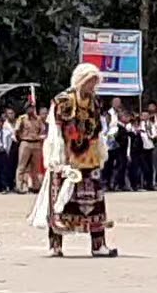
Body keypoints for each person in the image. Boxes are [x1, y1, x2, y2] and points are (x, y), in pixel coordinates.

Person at [30, 63, 117, 258]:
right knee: (60, 201)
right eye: (89, 81)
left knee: (95, 202)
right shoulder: (63, 101)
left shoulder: (94, 101)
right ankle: (55, 245)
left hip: (90, 158)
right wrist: (57, 156)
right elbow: (56, 130)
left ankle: (98, 244)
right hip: (67, 157)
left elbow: (97, 129)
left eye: (95, 81)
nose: (92, 85)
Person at [14, 104, 44, 193]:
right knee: (22, 166)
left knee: (36, 167)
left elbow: (42, 129)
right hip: (26, 142)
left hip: (36, 143)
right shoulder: (22, 118)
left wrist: (38, 137)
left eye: (32, 108)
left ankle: (36, 186)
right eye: (28, 108)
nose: (30, 110)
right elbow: (16, 130)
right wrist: (20, 138)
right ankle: (19, 186)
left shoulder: (38, 119)